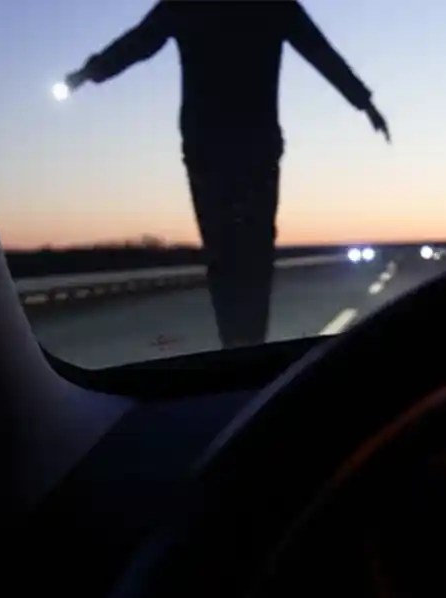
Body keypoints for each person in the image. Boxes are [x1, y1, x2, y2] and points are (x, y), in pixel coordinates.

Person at [64, 0, 390, 347]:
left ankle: (238, 347)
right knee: (253, 250)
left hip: (213, 145)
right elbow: (321, 53)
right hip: (247, 145)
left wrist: (88, 74)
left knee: (225, 253)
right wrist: (365, 104)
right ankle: (246, 346)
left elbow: (136, 45)